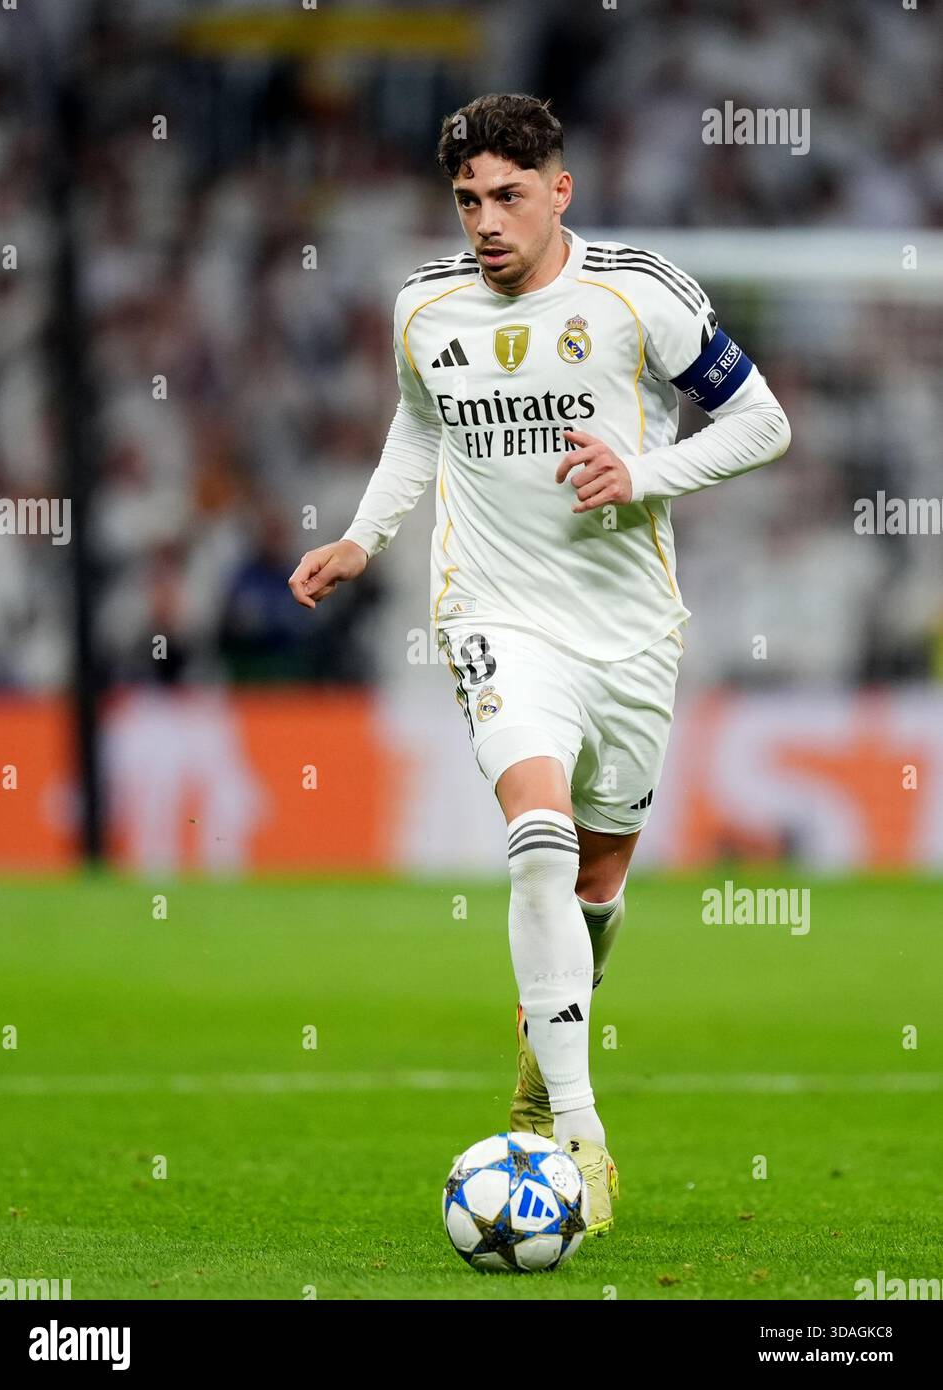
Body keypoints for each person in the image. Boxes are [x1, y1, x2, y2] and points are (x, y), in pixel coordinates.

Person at [289, 93, 790, 1235]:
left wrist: (645, 473)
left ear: (559, 190)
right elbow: (420, 425)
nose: (485, 222)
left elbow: (763, 423)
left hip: (629, 630)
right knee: (538, 836)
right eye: (467, 200)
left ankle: (544, 1041)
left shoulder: (634, 294)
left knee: (599, 882)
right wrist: (363, 536)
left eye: (508, 196)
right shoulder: (424, 307)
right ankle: (576, 1126)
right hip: (493, 615)